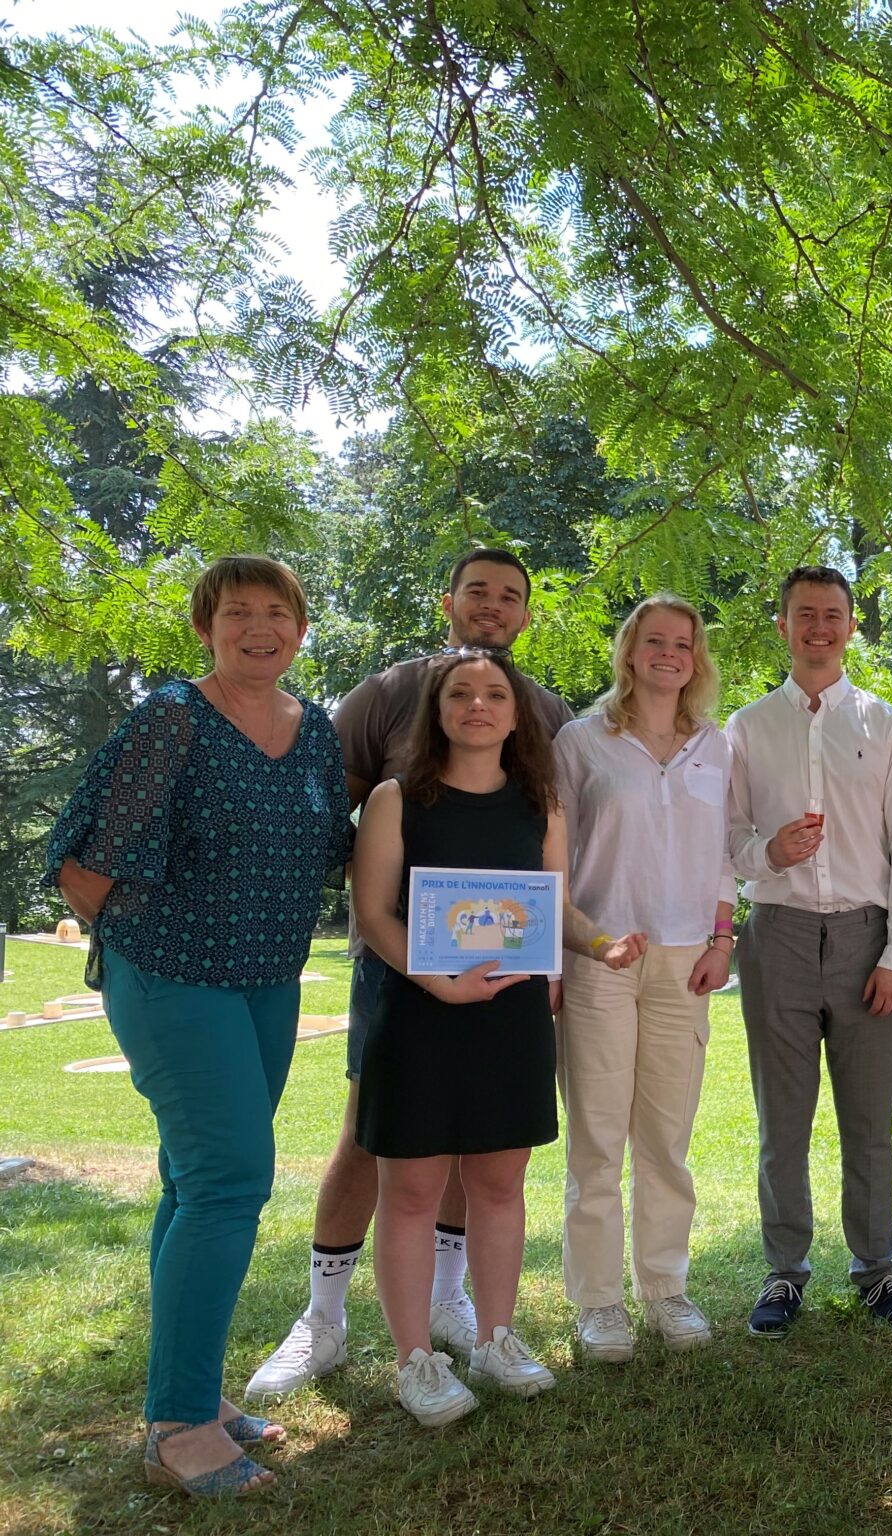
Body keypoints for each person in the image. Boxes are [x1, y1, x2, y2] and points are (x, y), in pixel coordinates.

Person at [46, 556, 354, 1496]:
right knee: (230, 1179)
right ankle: (177, 1429)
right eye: (238, 614)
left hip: (269, 981)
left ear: (301, 630)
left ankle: (190, 1394)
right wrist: (149, 950)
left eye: (278, 614)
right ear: (205, 627)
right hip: (173, 977)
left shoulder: (317, 734)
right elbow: (84, 869)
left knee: (192, 1185)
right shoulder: (172, 718)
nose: (259, 629)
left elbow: (337, 851)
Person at [247, 549, 573, 1400]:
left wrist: (563, 956)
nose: (492, 608)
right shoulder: (391, 691)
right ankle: (324, 1319)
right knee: (378, 1142)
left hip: (504, 993)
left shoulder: (543, 716)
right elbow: (336, 811)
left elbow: (546, 876)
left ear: (526, 615)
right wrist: (419, 963)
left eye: (510, 596)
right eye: (477, 592)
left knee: (486, 1158)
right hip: (405, 981)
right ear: (449, 600)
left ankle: (456, 1309)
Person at [352, 648, 615, 1426]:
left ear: (515, 712)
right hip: (418, 1016)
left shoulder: (542, 801)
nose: (477, 704)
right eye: (460, 693)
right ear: (437, 709)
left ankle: (498, 1339)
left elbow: (557, 907)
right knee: (410, 1195)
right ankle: (415, 1361)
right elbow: (372, 916)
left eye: (494, 693)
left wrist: (601, 945)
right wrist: (437, 979)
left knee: (500, 1187)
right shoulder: (397, 799)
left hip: (511, 1019)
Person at [725, 566, 892, 1336]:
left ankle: (877, 1270)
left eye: (832, 615)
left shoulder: (887, 727)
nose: (818, 627)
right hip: (774, 934)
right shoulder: (746, 728)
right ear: (782, 626)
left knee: (868, 1118)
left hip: (863, 938)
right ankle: (785, 1273)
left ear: (852, 628)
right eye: (803, 614)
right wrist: (769, 851)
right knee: (783, 1119)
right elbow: (728, 840)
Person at [554, 596, 735, 1362]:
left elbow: (726, 851)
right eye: (654, 641)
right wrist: (582, 944)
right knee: (597, 1138)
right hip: (603, 956)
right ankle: (599, 1304)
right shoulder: (581, 741)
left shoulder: (717, 747)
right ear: (628, 653)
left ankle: (665, 1289)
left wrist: (723, 939)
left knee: (666, 1138)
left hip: (685, 960)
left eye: (683, 644)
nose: (669, 654)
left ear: (696, 661)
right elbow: (553, 861)